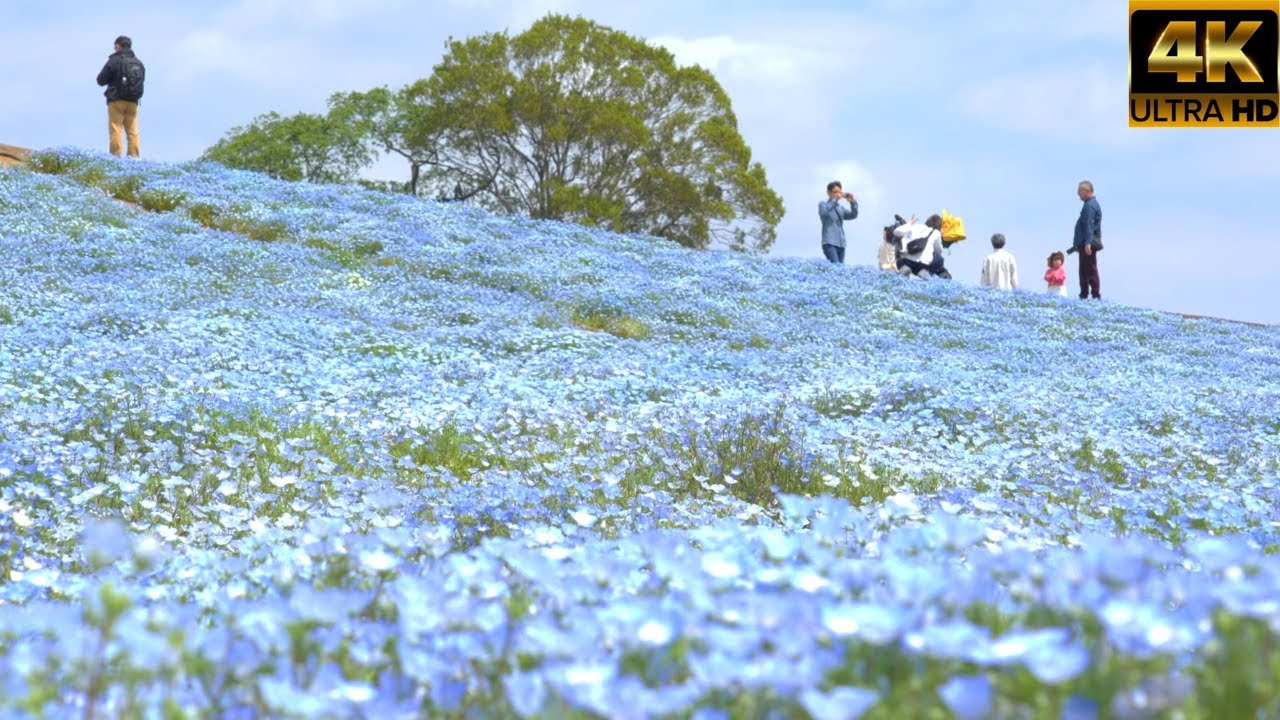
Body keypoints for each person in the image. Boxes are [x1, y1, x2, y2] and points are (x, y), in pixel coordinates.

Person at [96, 35, 145, 158]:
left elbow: (100, 80)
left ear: (118, 46)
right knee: (133, 132)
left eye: (114, 46)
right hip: (133, 102)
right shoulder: (139, 63)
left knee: (116, 129)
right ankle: (135, 158)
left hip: (116, 101)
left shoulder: (115, 60)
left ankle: (115, 158)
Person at [1068, 180, 1102, 299]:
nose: (1078, 195)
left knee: (1088, 270)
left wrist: (1087, 243)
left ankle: (1091, 294)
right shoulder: (1090, 204)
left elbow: (1089, 225)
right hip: (1085, 242)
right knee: (1086, 269)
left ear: (1087, 191)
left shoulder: (1090, 205)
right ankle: (1087, 294)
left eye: (1080, 192)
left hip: (1088, 243)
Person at [892, 213, 949, 278]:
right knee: (940, 259)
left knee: (900, 246)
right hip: (922, 265)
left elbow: (896, 231)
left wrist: (908, 224)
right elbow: (939, 251)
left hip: (907, 261)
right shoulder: (936, 233)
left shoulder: (916, 226)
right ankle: (924, 271)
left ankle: (904, 267)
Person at [818, 181, 858, 264]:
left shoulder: (840, 208)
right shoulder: (823, 204)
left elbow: (853, 215)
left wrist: (852, 202)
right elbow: (824, 213)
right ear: (828, 193)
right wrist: (834, 200)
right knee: (836, 266)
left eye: (839, 192)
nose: (838, 194)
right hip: (829, 242)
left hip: (841, 243)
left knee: (840, 270)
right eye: (835, 192)